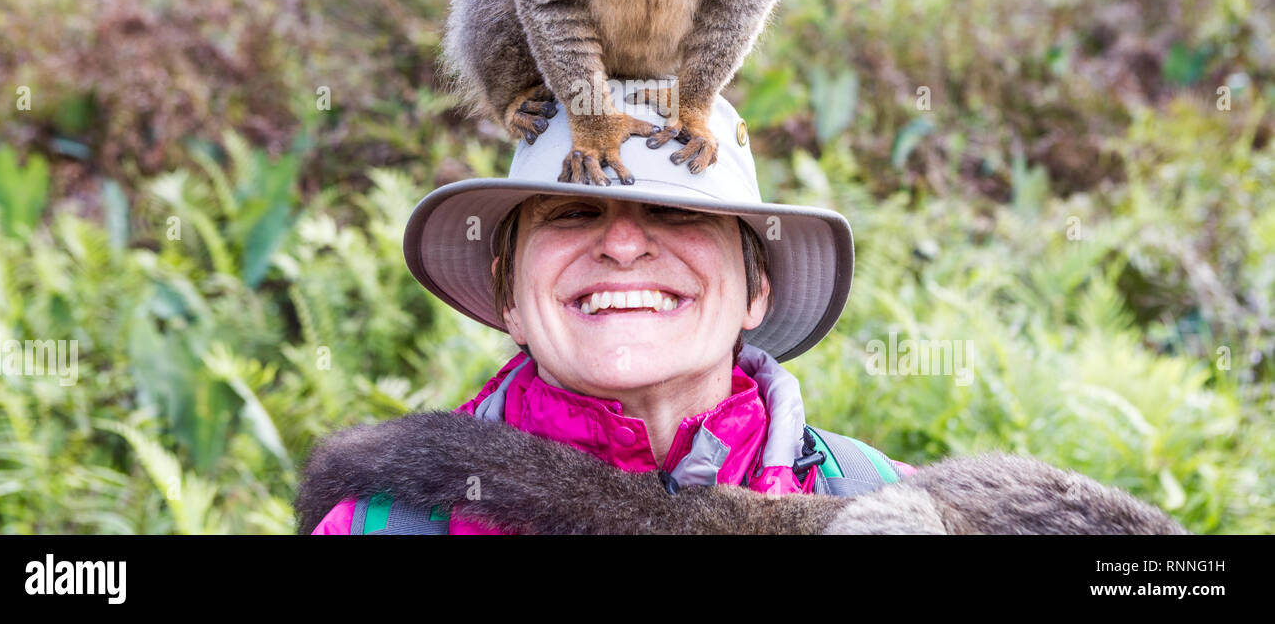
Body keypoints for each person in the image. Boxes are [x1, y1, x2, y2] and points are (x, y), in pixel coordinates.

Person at [307, 82, 914, 534]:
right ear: (510, 299)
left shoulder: (892, 503)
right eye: (572, 212)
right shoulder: (382, 526)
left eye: (679, 211)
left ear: (757, 289)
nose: (623, 245)